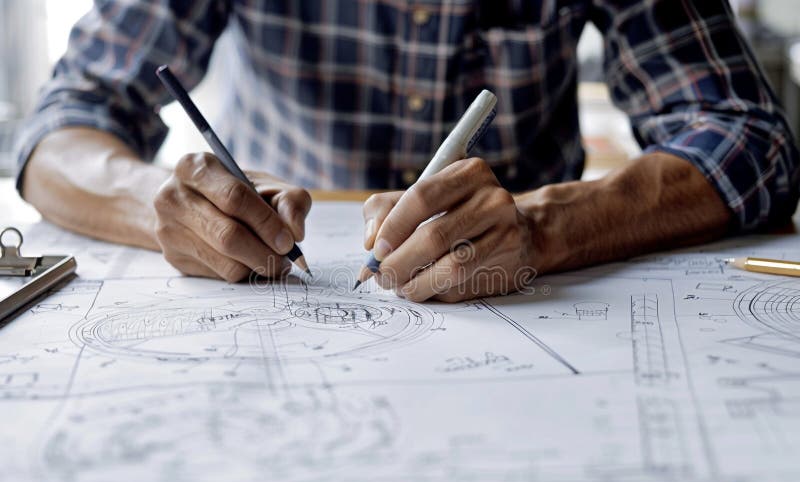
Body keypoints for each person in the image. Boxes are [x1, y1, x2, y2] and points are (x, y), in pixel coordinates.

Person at [14, 1, 799, 303]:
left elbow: (749, 136)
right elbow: (60, 124)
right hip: (269, 257)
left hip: (528, 289)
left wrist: (547, 222)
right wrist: (163, 204)